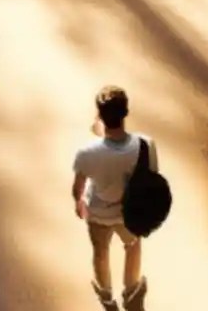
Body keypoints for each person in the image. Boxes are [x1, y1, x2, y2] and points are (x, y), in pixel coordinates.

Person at [72, 85, 156, 311]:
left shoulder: (88, 152)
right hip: (128, 215)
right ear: (126, 112)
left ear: (99, 116)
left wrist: (79, 202)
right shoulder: (144, 146)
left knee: (100, 252)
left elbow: (78, 187)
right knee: (133, 244)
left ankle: (107, 298)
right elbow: (150, 179)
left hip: (98, 213)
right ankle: (131, 292)